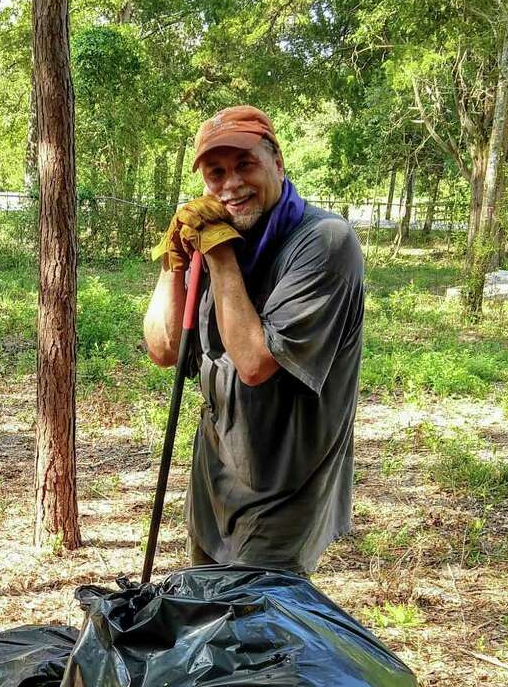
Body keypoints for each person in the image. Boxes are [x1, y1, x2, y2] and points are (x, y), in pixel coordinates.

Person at [145, 106, 364, 576]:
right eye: (215, 173)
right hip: (216, 479)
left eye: (245, 165)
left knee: (255, 628)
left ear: (277, 163)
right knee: (204, 621)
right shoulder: (218, 234)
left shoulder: (324, 241)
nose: (231, 185)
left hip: (287, 486)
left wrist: (220, 254)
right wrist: (175, 262)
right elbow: (164, 350)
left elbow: (253, 363)